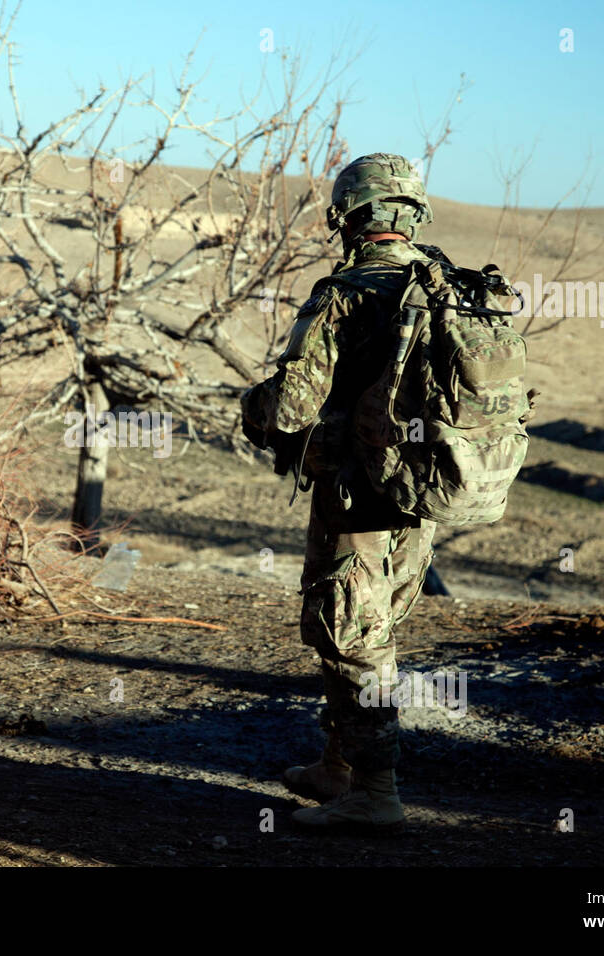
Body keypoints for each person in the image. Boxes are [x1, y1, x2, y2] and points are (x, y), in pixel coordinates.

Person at [240, 153, 443, 833]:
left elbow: (291, 409)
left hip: (358, 498)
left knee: (355, 639)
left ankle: (376, 794)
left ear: (349, 215)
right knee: (355, 629)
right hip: (420, 498)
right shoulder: (442, 288)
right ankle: (339, 767)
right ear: (413, 213)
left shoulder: (347, 291)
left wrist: (253, 406)